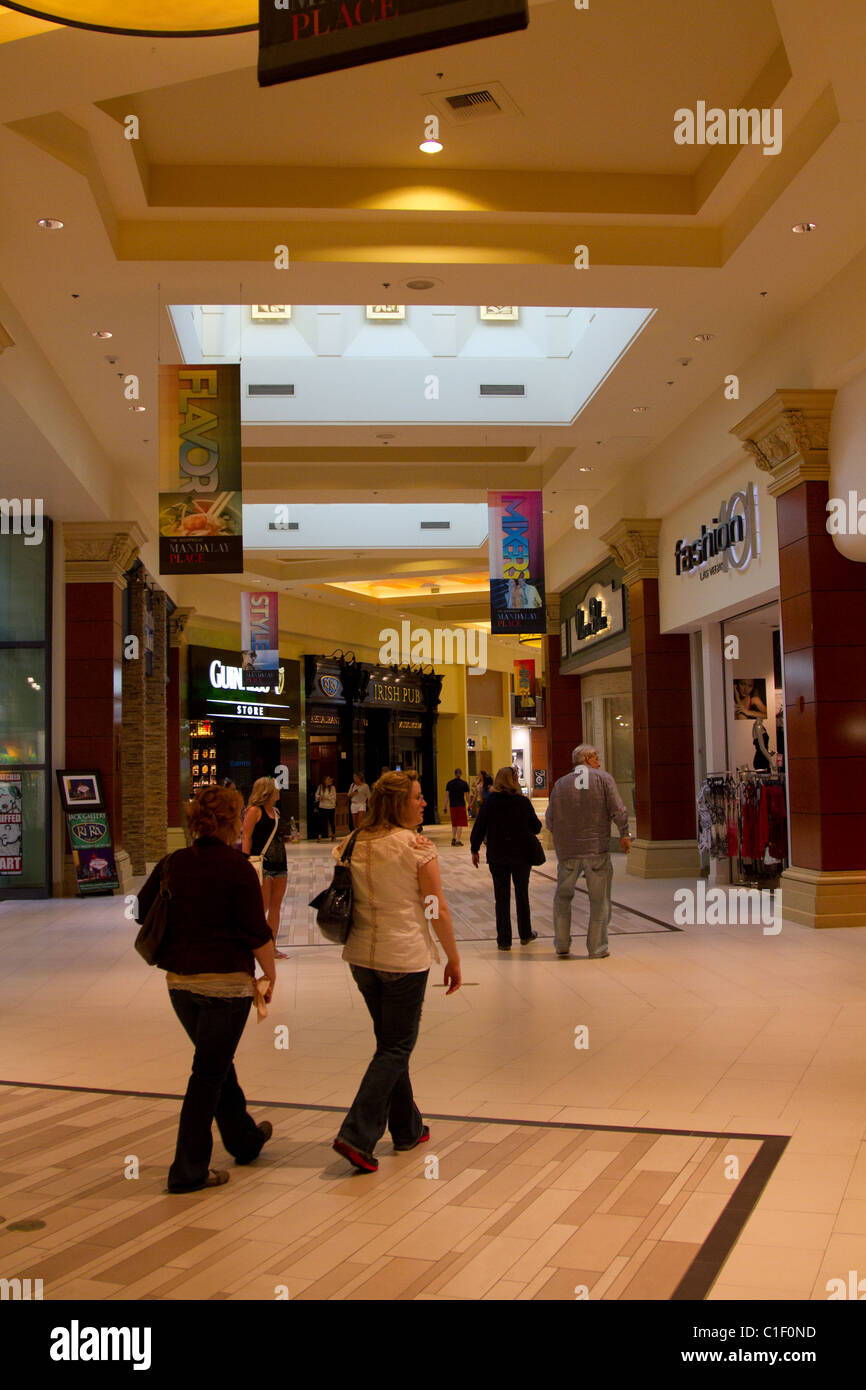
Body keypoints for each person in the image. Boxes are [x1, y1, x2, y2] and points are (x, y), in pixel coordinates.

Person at [135, 785, 277, 1194]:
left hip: (180, 984)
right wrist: (270, 976)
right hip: (226, 987)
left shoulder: (173, 863)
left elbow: (143, 911)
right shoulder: (238, 868)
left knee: (215, 1064)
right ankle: (188, 1170)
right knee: (208, 1072)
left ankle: (245, 1140)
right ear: (232, 821)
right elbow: (256, 931)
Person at [332, 773, 461, 1173]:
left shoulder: (352, 843)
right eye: (418, 798)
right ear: (398, 804)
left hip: (361, 958)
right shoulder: (416, 847)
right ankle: (356, 1135)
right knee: (395, 1047)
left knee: (389, 1043)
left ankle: (407, 1128)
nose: (424, 804)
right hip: (403, 958)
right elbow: (434, 904)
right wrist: (453, 957)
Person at [545, 743, 631, 959]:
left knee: (562, 898)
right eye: (596, 757)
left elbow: (549, 819)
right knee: (599, 901)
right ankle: (597, 948)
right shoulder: (603, 779)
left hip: (568, 853)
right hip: (596, 851)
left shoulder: (560, 784)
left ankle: (562, 944)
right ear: (589, 758)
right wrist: (625, 833)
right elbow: (618, 809)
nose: (599, 762)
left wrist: (563, 837)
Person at [470, 766, 541, 950]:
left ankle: (504, 940)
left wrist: (474, 849)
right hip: (521, 855)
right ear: (513, 780)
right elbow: (536, 827)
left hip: (498, 855)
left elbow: (479, 826)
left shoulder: (490, 802)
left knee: (501, 898)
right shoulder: (522, 802)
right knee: (522, 894)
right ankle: (525, 934)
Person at [242, 776, 288, 960]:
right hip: (262, 863)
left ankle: (272, 946)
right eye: (275, 788)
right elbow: (246, 836)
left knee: (276, 907)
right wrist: (246, 860)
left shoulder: (276, 812)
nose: (278, 791)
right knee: (262, 907)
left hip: (280, 863)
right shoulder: (254, 811)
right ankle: (255, 945)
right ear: (267, 791)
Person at [443, 767, 470, 846]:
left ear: (454, 774)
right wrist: (469, 804)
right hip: (461, 805)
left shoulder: (449, 783)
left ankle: (453, 838)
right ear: (461, 774)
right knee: (459, 823)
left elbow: (447, 796)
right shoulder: (464, 783)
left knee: (454, 823)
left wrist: (445, 806)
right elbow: (467, 796)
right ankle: (458, 840)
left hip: (452, 806)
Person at [314, 775, 337, 840]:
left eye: (330, 779)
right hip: (322, 807)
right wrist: (320, 797)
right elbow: (316, 795)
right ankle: (319, 836)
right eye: (328, 779)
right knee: (321, 822)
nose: (329, 780)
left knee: (331, 821)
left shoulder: (333, 788)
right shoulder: (320, 787)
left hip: (331, 807)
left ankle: (333, 834)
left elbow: (334, 797)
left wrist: (326, 797)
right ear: (324, 781)